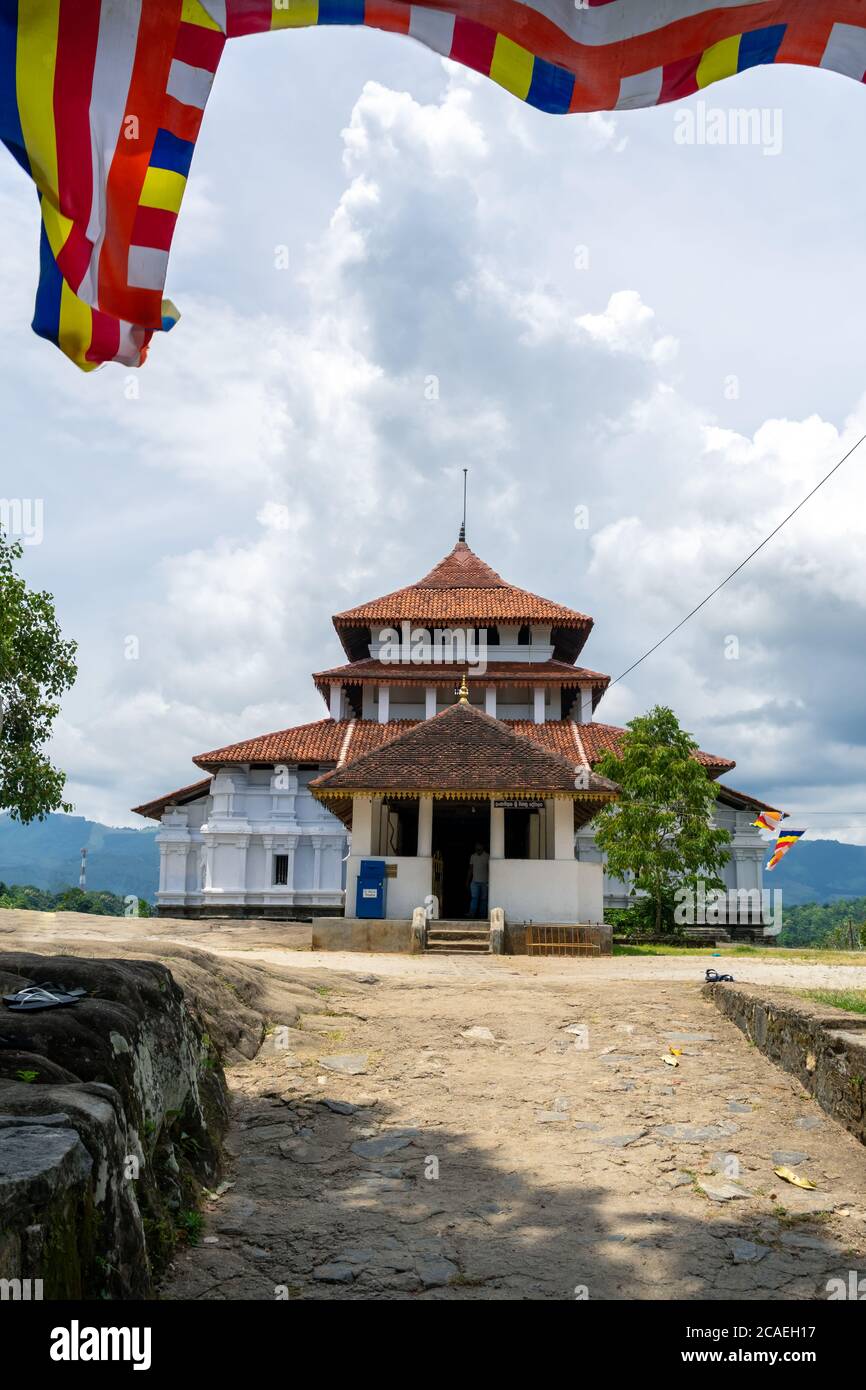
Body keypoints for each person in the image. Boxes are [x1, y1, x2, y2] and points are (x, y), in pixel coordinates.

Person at [467, 842, 489, 918]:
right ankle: (471, 914)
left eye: (479, 848)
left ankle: (482, 916)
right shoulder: (473, 856)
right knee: (474, 898)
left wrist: (490, 881)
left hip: (485, 882)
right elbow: (470, 869)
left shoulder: (487, 856)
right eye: (476, 848)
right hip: (475, 881)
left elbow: (489, 869)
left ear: (483, 847)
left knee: (483, 900)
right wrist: (467, 881)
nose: (478, 850)